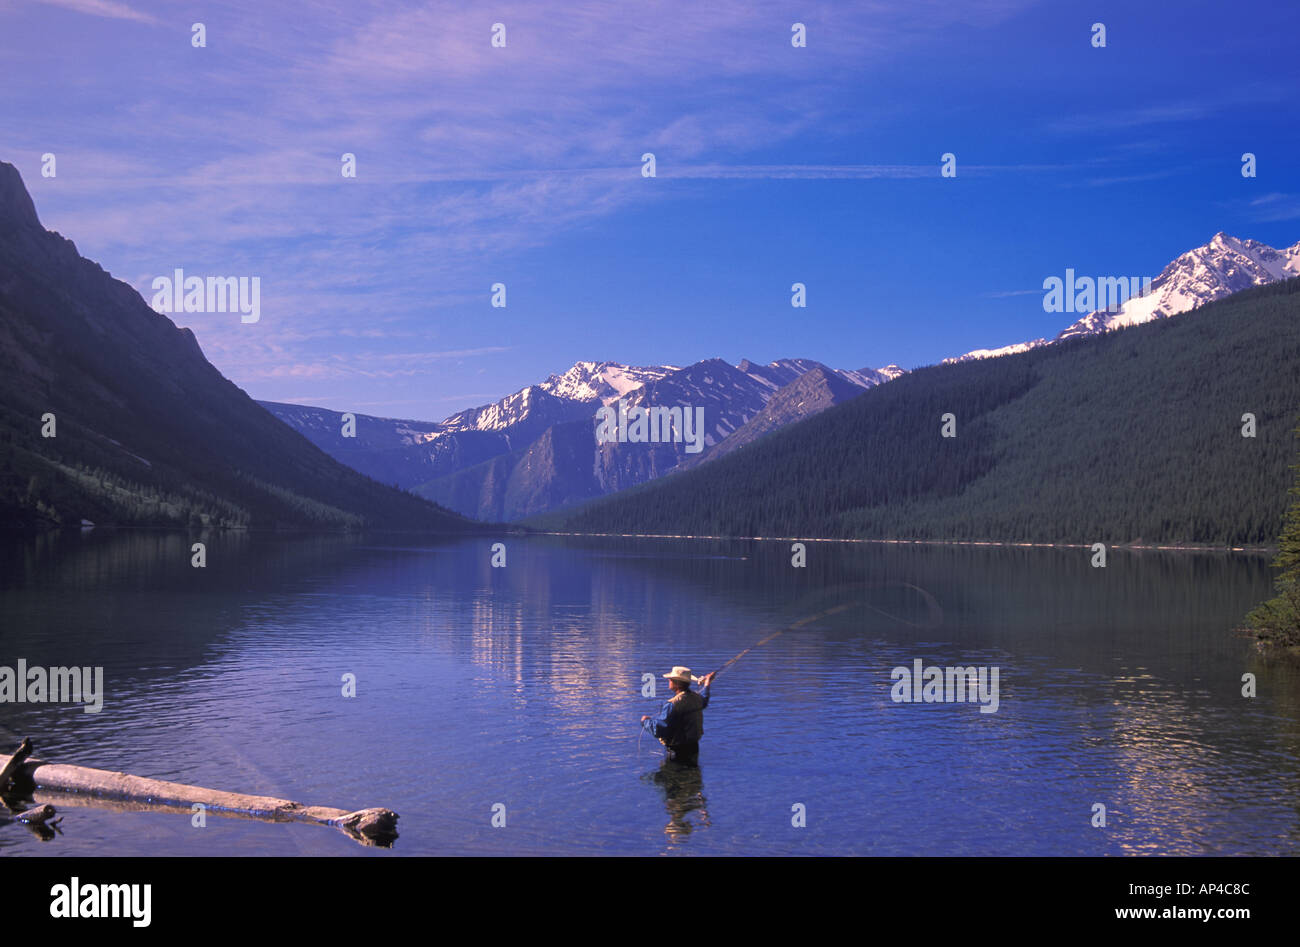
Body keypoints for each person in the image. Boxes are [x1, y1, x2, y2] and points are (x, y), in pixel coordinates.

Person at [641, 666, 716, 764]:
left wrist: (645, 721)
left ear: (677, 684)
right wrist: (707, 684)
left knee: (672, 777)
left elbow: (659, 729)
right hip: (694, 748)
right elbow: (704, 701)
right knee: (693, 777)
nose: (668, 680)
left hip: (677, 753)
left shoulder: (672, 704)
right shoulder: (697, 698)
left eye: (671, 679)